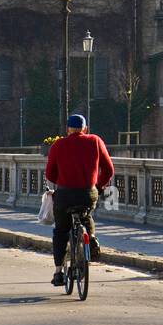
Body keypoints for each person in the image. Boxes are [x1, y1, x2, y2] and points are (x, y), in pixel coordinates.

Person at [44, 114, 114, 288]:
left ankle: (58, 271)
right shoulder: (95, 141)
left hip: (65, 194)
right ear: (85, 128)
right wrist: (98, 185)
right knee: (86, 215)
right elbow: (108, 169)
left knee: (61, 230)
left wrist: (62, 180)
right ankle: (90, 239)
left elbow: (50, 174)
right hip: (87, 193)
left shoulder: (58, 144)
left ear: (68, 129)